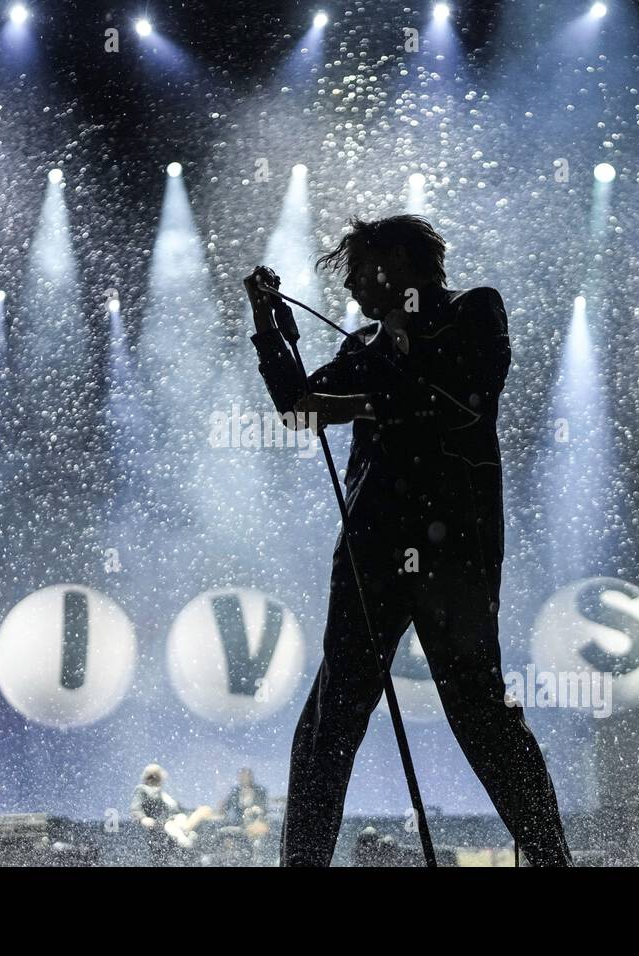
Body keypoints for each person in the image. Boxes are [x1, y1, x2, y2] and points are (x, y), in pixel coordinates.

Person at [243, 214, 572, 867]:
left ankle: (550, 860)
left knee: (478, 707)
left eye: (363, 274)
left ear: (397, 262)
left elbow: (466, 395)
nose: (357, 293)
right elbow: (301, 408)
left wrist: (390, 355)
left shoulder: (473, 310)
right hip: (372, 545)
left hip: (454, 541)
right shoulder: (364, 344)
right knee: (333, 711)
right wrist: (272, 328)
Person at [129, 764, 215, 862]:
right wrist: (143, 818)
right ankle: (188, 842)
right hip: (163, 826)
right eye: (157, 775)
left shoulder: (163, 795)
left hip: (177, 820)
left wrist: (194, 810)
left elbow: (178, 809)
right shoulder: (143, 789)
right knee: (177, 831)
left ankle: (193, 845)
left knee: (200, 814)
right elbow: (136, 808)